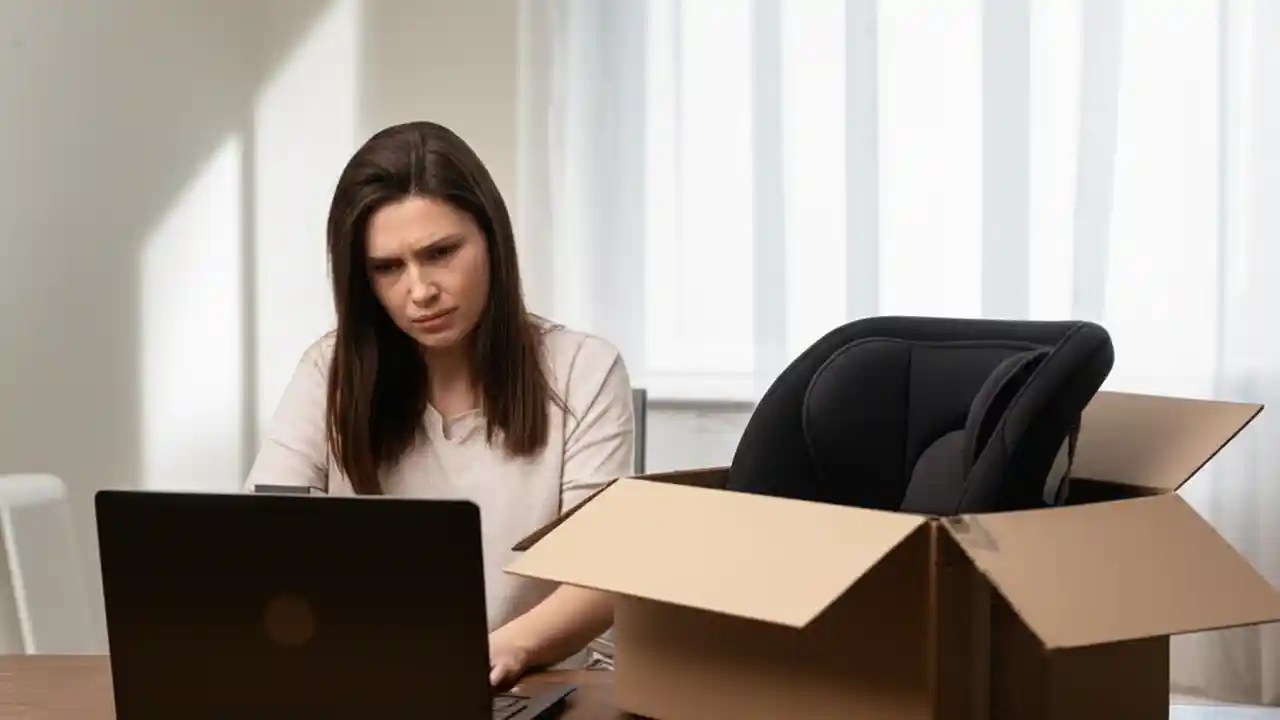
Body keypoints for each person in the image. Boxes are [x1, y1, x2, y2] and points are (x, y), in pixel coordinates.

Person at [243, 120, 633, 688]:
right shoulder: (328, 372)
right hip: (370, 683)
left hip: (533, 682)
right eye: (387, 268)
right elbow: (260, 543)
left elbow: (602, 576)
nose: (420, 290)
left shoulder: (584, 369)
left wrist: (500, 651)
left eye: (442, 253)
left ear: (491, 241)